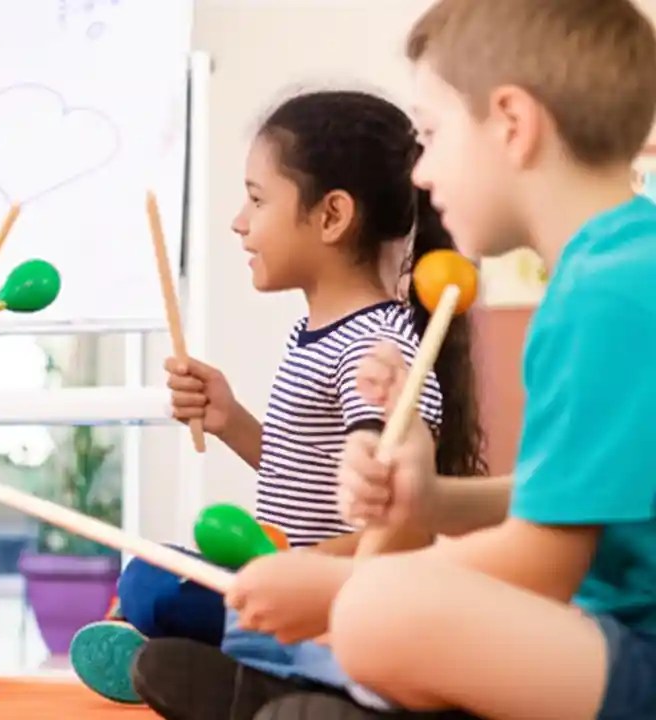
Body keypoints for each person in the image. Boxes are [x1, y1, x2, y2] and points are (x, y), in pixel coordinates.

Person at [233, 1, 656, 719]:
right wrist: (435, 503)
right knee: (385, 602)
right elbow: (579, 498)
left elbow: (543, 559)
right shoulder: (618, 265)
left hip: (636, 646)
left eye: (431, 135)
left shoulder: (610, 290)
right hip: (615, 630)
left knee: (380, 610)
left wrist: (340, 590)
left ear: (513, 126)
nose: (422, 174)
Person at [69, 89, 486, 715]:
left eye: (257, 199)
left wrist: (289, 570)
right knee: (158, 570)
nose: (239, 221)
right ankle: (226, 660)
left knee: (156, 585)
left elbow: (398, 519)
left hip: (343, 592)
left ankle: (269, 674)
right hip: (294, 569)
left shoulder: (375, 351)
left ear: (331, 216)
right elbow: (312, 475)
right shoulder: (321, 334)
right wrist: (230, 419)